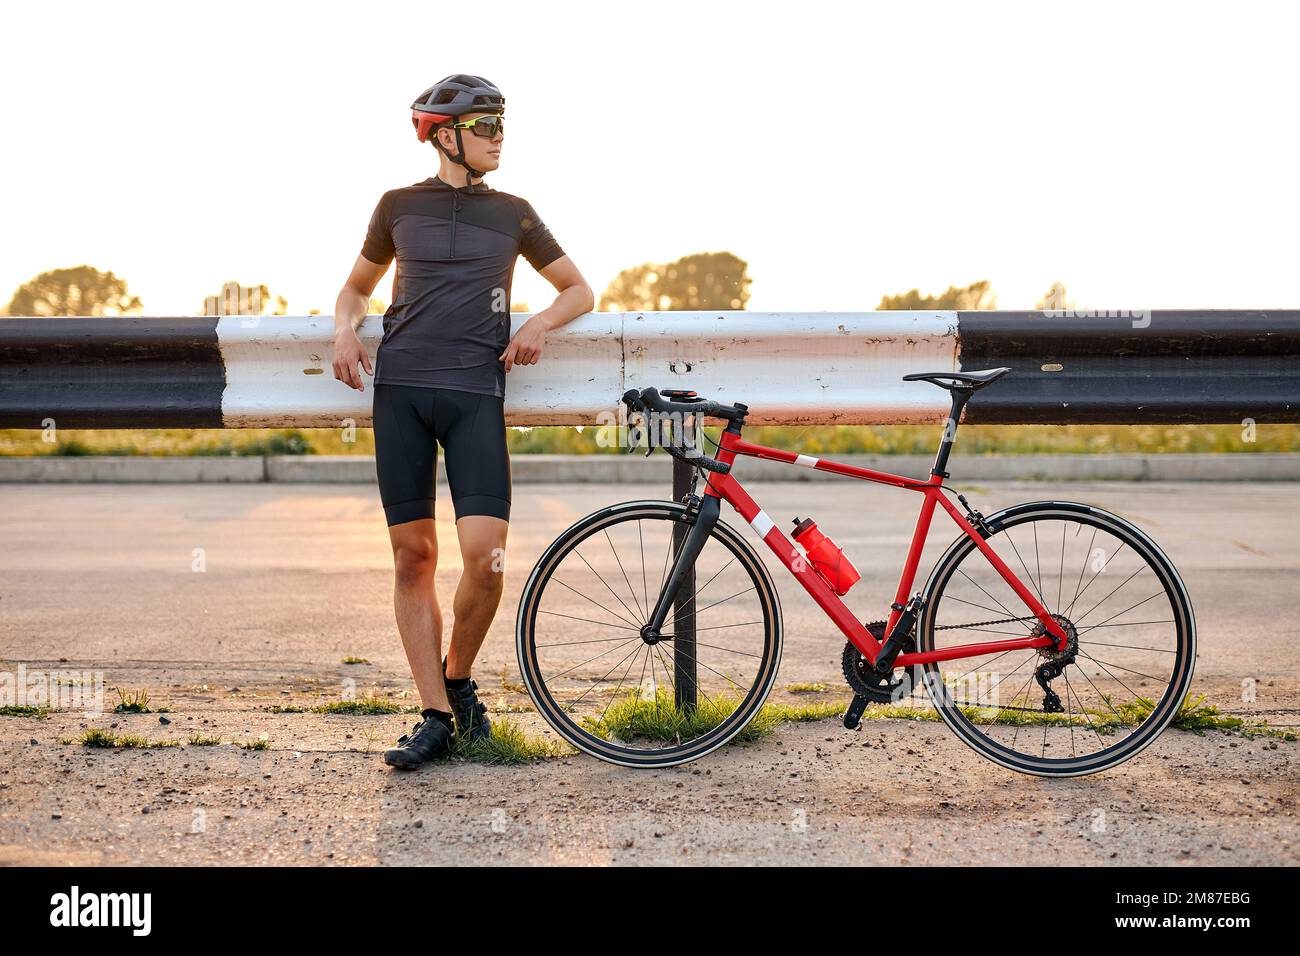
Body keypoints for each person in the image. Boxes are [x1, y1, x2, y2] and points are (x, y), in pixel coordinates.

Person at [331, 74, 594, 768]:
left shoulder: (514, 211)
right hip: (403, 393)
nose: (498, 136)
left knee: (488, 560)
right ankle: (435, 716)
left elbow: (579, 288)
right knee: (413, 556)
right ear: (444, 134)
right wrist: (343, 330)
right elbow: (357, 288)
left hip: (476, 392)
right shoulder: (395, 206)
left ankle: (456, 676)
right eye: (485, 125)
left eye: (502, 123)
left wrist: (538, 321)